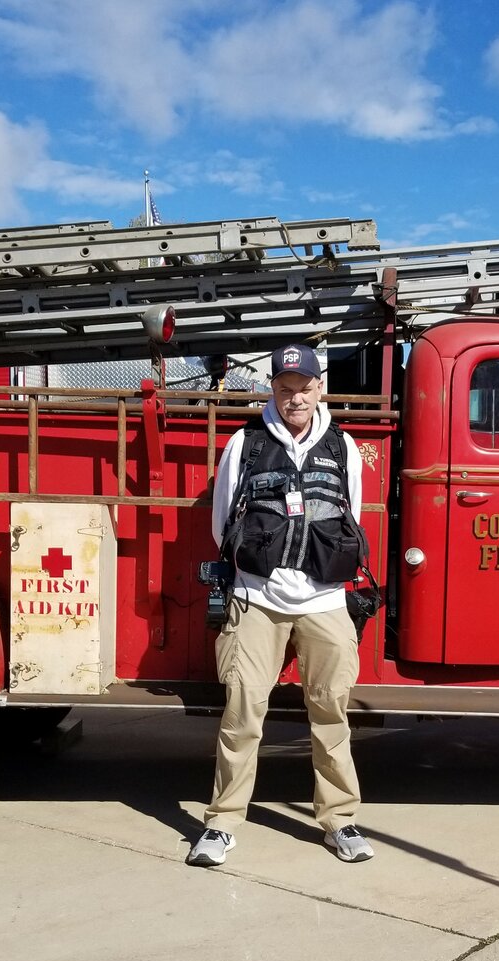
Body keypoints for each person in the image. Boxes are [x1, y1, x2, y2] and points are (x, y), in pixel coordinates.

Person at [186, 342, 373, 867]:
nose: (295, 398)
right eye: (284, 389)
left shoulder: (343, 447)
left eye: (304, 388)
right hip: (255, 596)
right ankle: (221, 823)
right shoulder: (244, 444)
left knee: (331, 710)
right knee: (243, 711)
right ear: (273, 387)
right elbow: (223, 522)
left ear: (320, 388)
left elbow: (349, 519)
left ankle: (340, 820)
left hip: (325, 599)